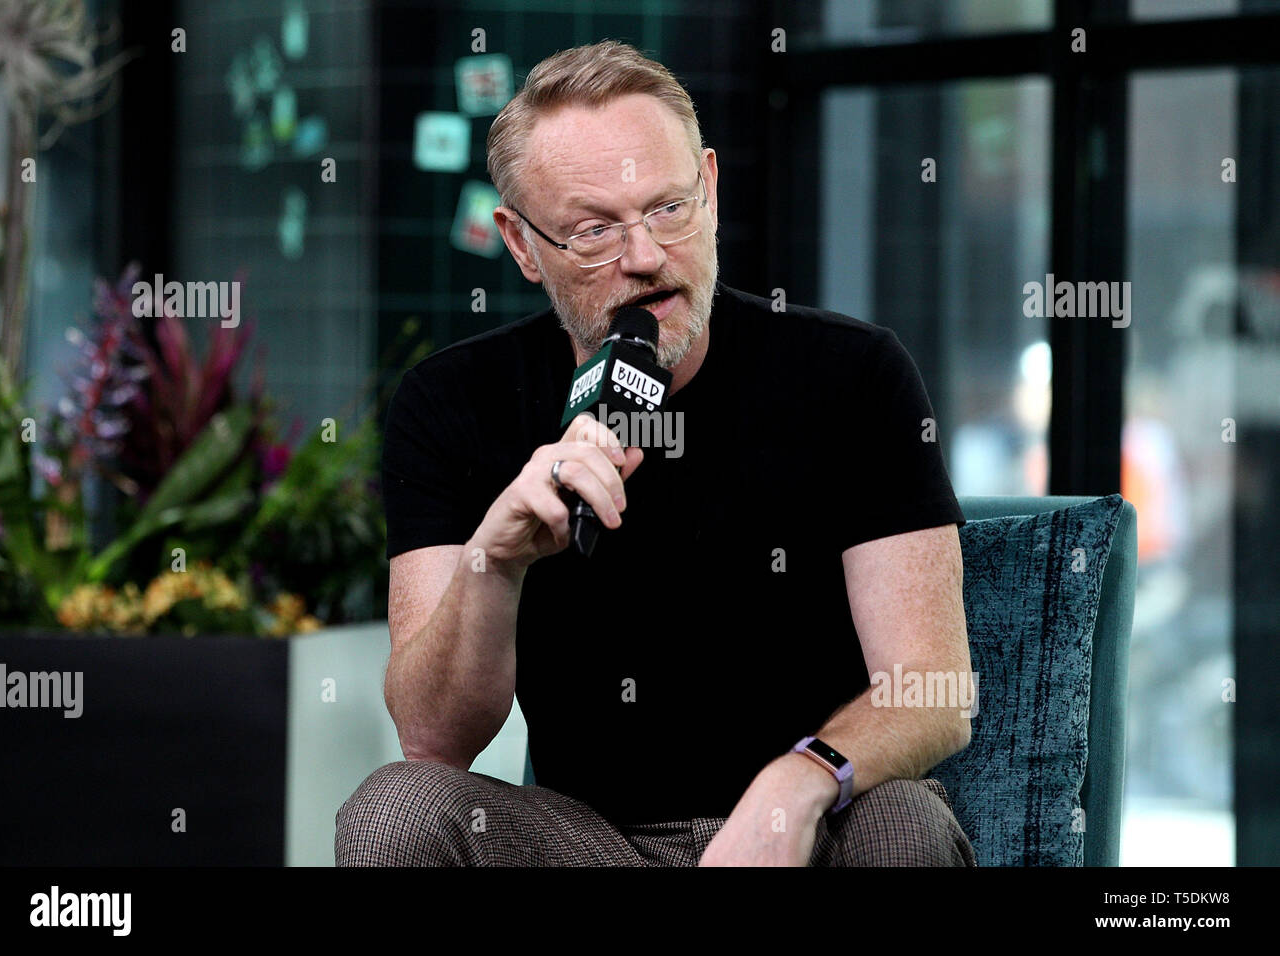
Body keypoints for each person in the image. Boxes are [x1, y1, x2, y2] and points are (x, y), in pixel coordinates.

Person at [336, 40, 976, 867]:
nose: (645, 258)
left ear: (709, 188)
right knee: (394, 810)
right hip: (593, 843)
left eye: (669, 209)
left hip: (817, 831)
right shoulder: (452, 400)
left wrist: (798, 779)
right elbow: (432, 740)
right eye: (594, 231)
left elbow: (935, 691)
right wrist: (493, 562)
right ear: (523, 246)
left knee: (906, 823)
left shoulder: (852, 375)